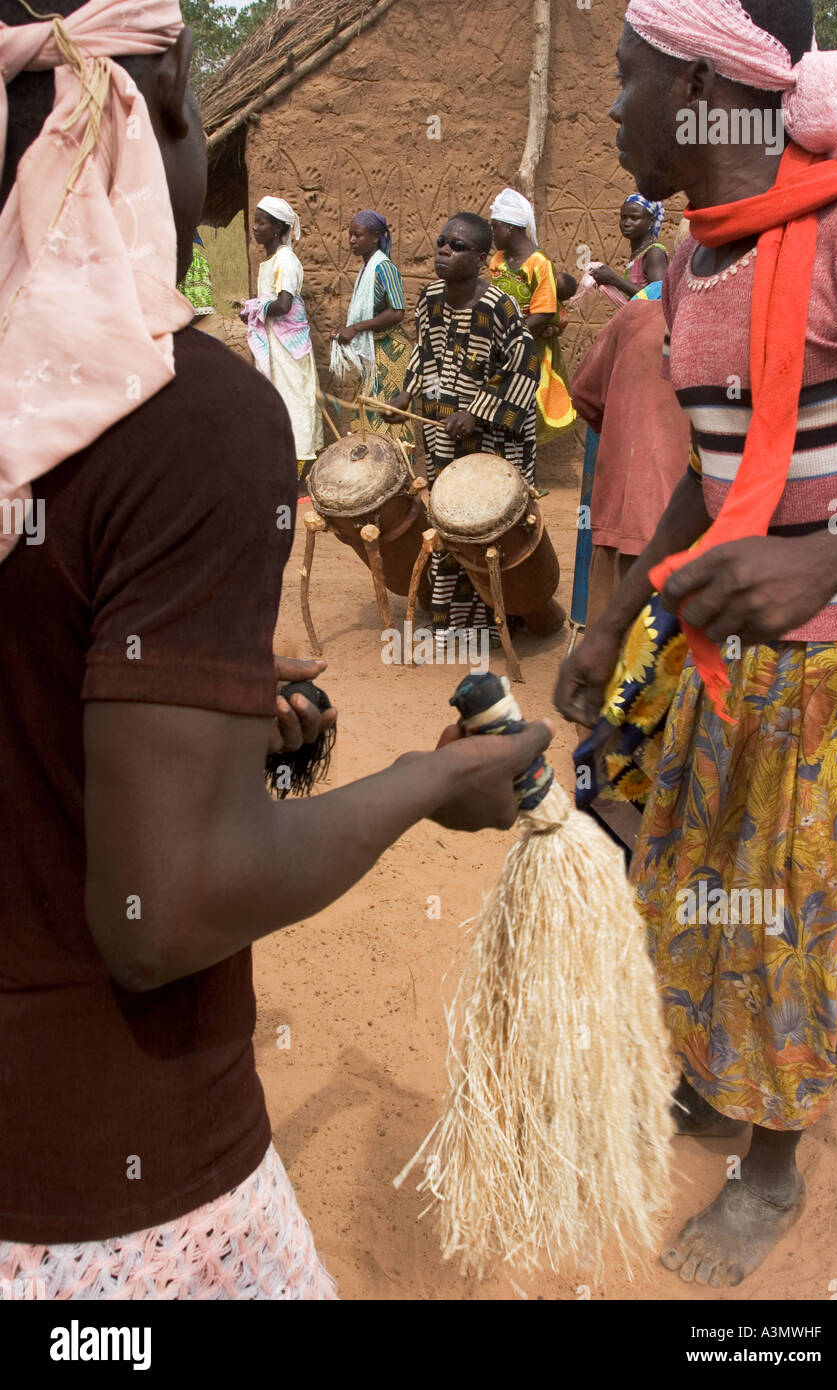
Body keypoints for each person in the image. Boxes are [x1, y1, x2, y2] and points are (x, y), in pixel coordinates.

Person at [0, 0, 552, 1301]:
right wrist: (432, 785)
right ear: (168, 110)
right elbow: (162, 911)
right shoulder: (183, 421)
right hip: (104, 1187)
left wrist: (222, 715)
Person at [556, 0, 837, 1289]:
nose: (611, 106)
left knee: (791, 920)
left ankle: (772, 1165)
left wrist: (829, 553)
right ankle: (714, 1073)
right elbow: (714, 465)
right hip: (726, 653)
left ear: (695, 82)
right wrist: (621, 611)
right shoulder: (694, 263)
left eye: (624, 77)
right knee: (696, 877)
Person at [386, 213, 540, 637]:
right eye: (441, 242)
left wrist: (478, 413)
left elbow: (525, 368)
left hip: (495, 442)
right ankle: (453, 624)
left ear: (481, 259)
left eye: (457, 246)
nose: (444, 250)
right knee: (448, 523)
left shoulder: (499, 307)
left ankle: (500, 622)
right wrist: (406, 395)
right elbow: (425, 355)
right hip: (441, 432)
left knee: (490, 530)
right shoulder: (430, 298)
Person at [570, 296, 690, 634]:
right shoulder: (745, 323)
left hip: (624, 521)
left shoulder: (636, 317)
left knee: (611, 657)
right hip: (699, 535)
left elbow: (584, 395)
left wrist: (622, 433)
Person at [242, 196, 323, 483]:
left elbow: (283, 305)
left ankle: (299, 476)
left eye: (261, 222)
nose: (255, 228)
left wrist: (254, 309)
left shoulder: (286, 261)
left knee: (295, 401)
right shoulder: (272, 262)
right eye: (255, 221)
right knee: (280, 399)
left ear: (277, 228)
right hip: (278, 345)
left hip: (288, 347)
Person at [488, 187, 577, 443]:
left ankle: (528, 472)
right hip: (505, 341)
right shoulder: (499, 260)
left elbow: (543, 311)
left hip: (532, 343)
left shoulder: (539, 263)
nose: (492, 233)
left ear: (512, 228)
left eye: (496, 227)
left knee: (531, 404)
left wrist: (512, 338)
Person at [330, 209, 414, 446]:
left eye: (358, 235)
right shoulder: (366, 269)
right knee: (367, 418)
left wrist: (356, 328)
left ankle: (400, 479)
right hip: (375, 351)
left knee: (389, 421)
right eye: (350, 235)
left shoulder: (384, 268)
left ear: (376, 237)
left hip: (391, 353)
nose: (352, 240)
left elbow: (397, 312)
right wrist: (345, 330)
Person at [590, 193, 669, 300]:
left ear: (651, 221)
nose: (627, 223)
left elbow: (657, 296)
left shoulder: (654, 253)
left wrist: (613, 279)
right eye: (623, 217)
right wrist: (606, 281)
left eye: (634, 218)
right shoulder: (639, 254)